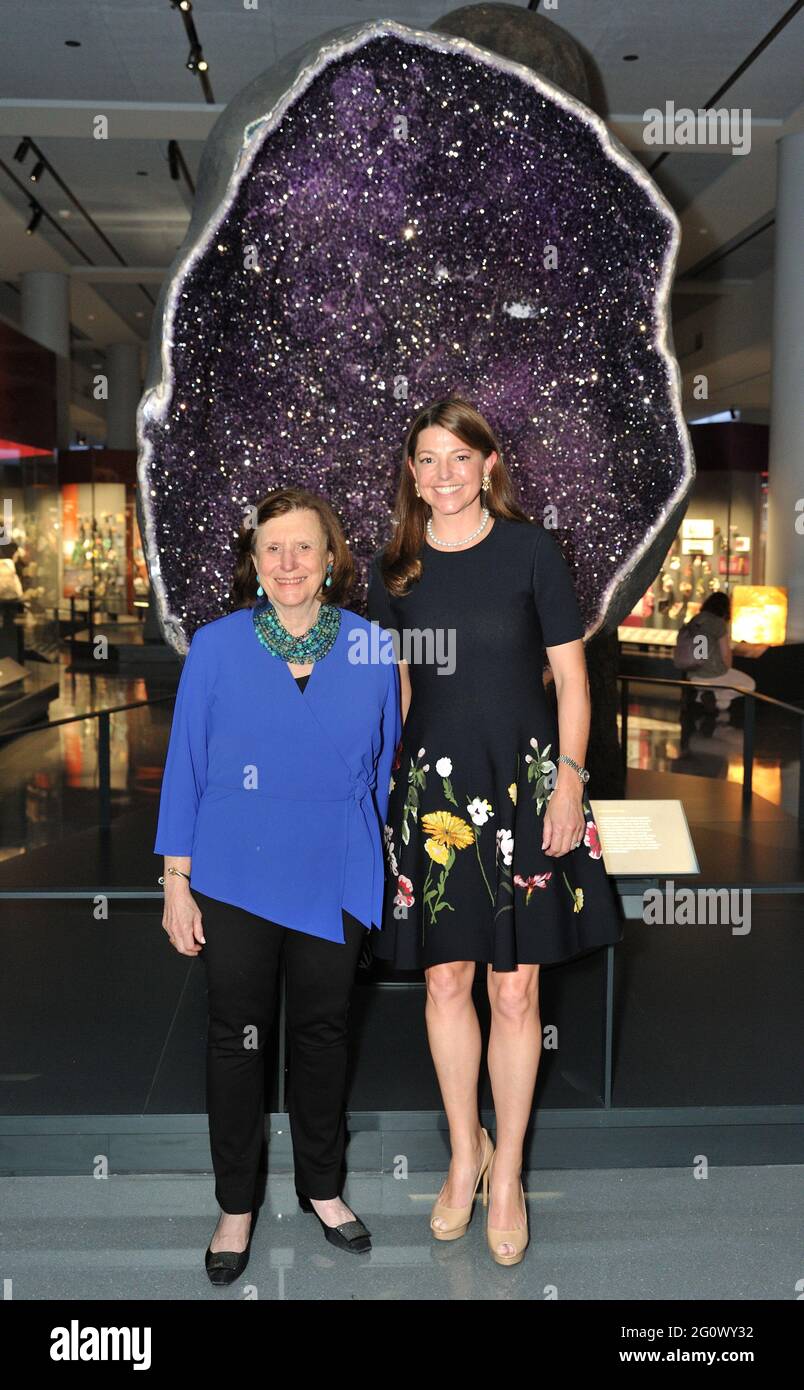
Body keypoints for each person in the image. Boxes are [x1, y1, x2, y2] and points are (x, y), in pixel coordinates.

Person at [367, 397, 623, 1267]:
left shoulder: (531, 551)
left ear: (488, 464)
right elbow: (396, 694)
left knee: (515, 992)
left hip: (522, 792)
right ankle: (462, 1152)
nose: (443, 475)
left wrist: (569, 786)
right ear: (413, 473)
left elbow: (572, 684)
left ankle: (507, 1172)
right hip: (434, 800)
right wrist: (385, 800)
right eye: (427, 459)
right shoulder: (393, 570)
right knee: (445, 983)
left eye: (459, 457)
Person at [154, 488, 400, 1284]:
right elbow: (184, 768)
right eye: (272, 550)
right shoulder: (217, 648)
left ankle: (324, 1189)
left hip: (335, 866)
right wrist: (175, 881)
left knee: (324, 1035)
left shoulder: (371, 647)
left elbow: (387, 772)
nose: (288, 563)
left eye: (303, 548)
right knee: (237, 1039)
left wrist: (385, 866)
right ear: (254, 564)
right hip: (234, 871)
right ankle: (236, 1205)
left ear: (332, 558)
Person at [678, 591, 756, 713]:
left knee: (722, 698)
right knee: (749, 685)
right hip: (712, 674)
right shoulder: (718, 623)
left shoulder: (695, 620)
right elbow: (725, 653)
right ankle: (709, 698)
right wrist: (727, 669)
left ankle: (706, 699)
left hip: (692, 673)